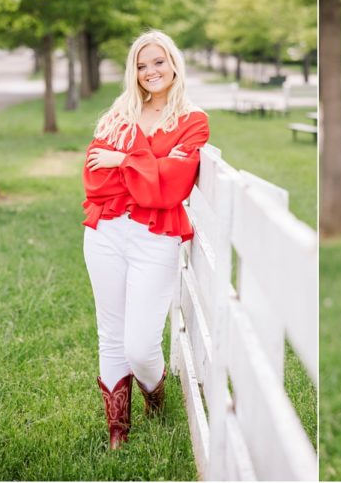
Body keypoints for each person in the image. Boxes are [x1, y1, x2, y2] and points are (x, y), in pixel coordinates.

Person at [81, 29, 209, 450]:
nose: (150, 71)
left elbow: (172, 188)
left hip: (156, 237)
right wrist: (150, 165)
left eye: (158, 62)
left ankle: (156, 396)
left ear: (174, 63)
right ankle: (118, 429)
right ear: (132, 72)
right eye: (141, 65)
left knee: (140, 344)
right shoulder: (118, 115)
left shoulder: (192, 120)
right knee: (111, 333)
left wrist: (124, 160)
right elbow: (95, 180)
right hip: (105, 230)